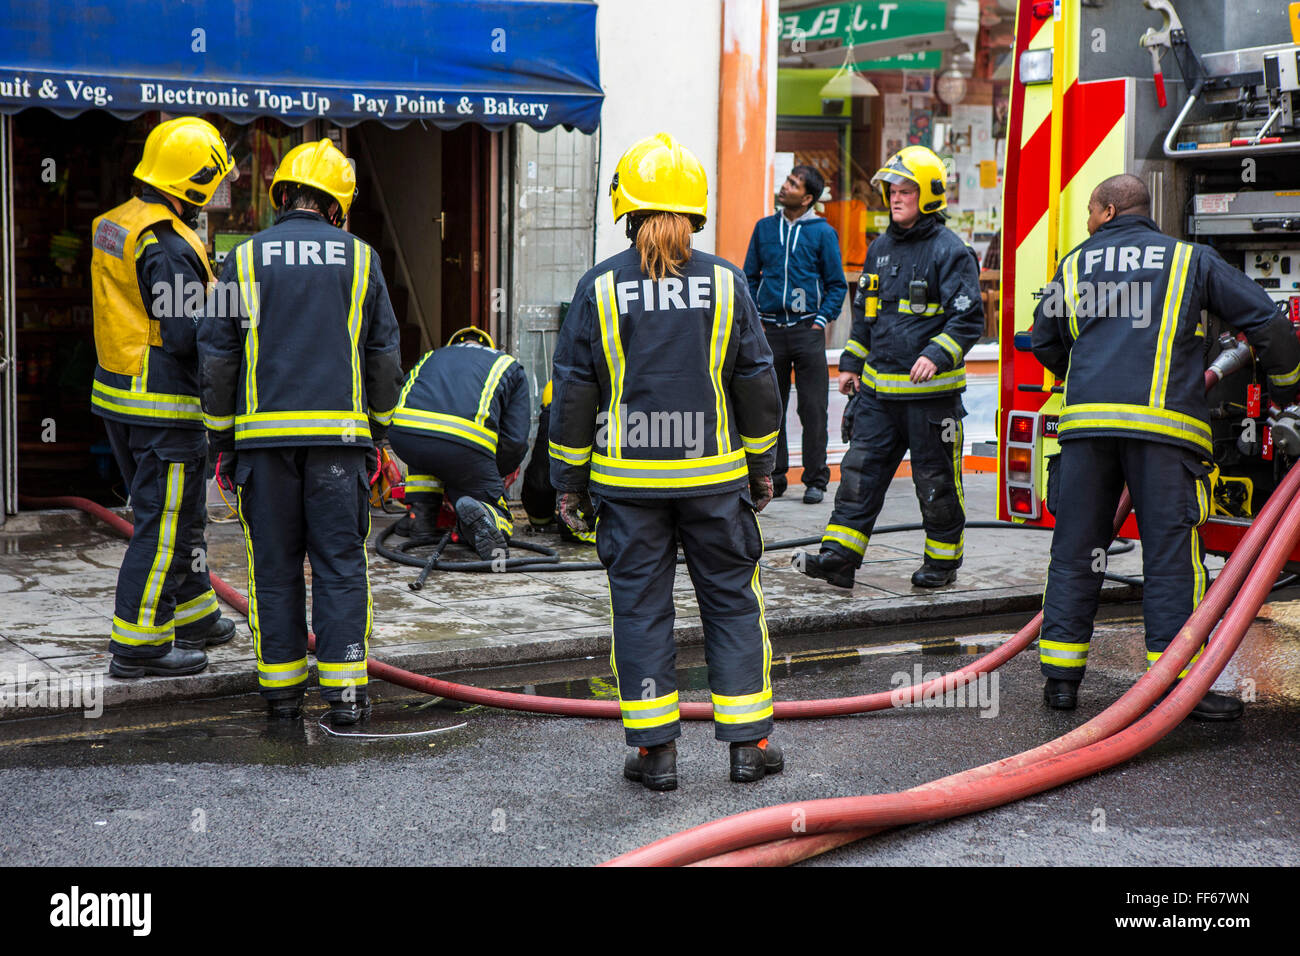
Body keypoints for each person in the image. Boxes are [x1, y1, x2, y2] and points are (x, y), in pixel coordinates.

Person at [549, 132, 784, 791]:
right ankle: (749, 747)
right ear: (695, 211)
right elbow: (756, 382)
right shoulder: (727, 282)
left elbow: (574, 393)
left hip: (628, 489)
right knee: (734, 604)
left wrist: (567, 482)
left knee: (642, 611)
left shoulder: (598, 288)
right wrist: (763, 467)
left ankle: (657, 756)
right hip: (713, 482)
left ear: (626, 210)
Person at [1032, 173, 1300, 720]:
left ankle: (1060, 683)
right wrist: (1290, 387)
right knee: (1171, 558)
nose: (1087, 220)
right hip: (1164, 435)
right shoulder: (1190, 260)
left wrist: (1086, 374)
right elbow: (1268, 321)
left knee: (1077, 551)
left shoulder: (1076, 263)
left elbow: (1044, 340)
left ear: (1107, 211)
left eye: (1089, 210)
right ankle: (1178, 686)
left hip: (1085, 431)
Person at [198, 139, 403, 724]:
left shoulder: (241, 259)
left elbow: (217, 359)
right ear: (336, 206)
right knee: (340, 564)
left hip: (263, 450)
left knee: (274, 568)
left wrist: (222, 443)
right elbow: (384, 355)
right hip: (339, 444)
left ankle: (282, 697)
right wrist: (379, 434)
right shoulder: (361, 259)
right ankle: (345, 698)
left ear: (282, 195)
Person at [91, 117, 239, 678]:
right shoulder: (169, 245)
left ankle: (195, 612)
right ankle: (140, 644)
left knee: (185, 515)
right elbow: (183, 332)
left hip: (121, 396)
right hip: (163, 406)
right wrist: (229, 309)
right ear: (193, 183)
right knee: (163, 521)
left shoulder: (117, 223)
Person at [799, 145, 984, 590]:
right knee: (858, 478)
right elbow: (866, 317)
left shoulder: (950, 252)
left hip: (930, 402)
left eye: (906, 190)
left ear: (930, 196)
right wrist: (848, 364)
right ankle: (839, 559)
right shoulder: (880, 248)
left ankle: (942, 564)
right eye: (892, 190)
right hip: (878, 398)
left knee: (935, 484)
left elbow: (969, 319)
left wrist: (936, 354)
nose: (895, 197)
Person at [743, 164, 846, 504]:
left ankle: (816, 478)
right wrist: (756, 316)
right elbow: (749, 277)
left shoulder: (822, 233)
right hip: (770, 330)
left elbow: (836, 285)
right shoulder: (764, 228)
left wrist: (821, 320)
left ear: (808, 198)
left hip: (807, 331)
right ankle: (775, 475)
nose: (784, 187)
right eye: (787, 180)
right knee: (772, 406)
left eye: (793, 184)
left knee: (813, 408)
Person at [388, 326, 530, 558]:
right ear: (487, 347)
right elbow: (514, 440)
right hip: (463, 446)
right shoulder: (508, 365)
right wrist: (492, 474)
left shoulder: (432, 356)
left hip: (404, 435)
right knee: (498, 514)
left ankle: (422, 515)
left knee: (427, 443)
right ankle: (486, 518)